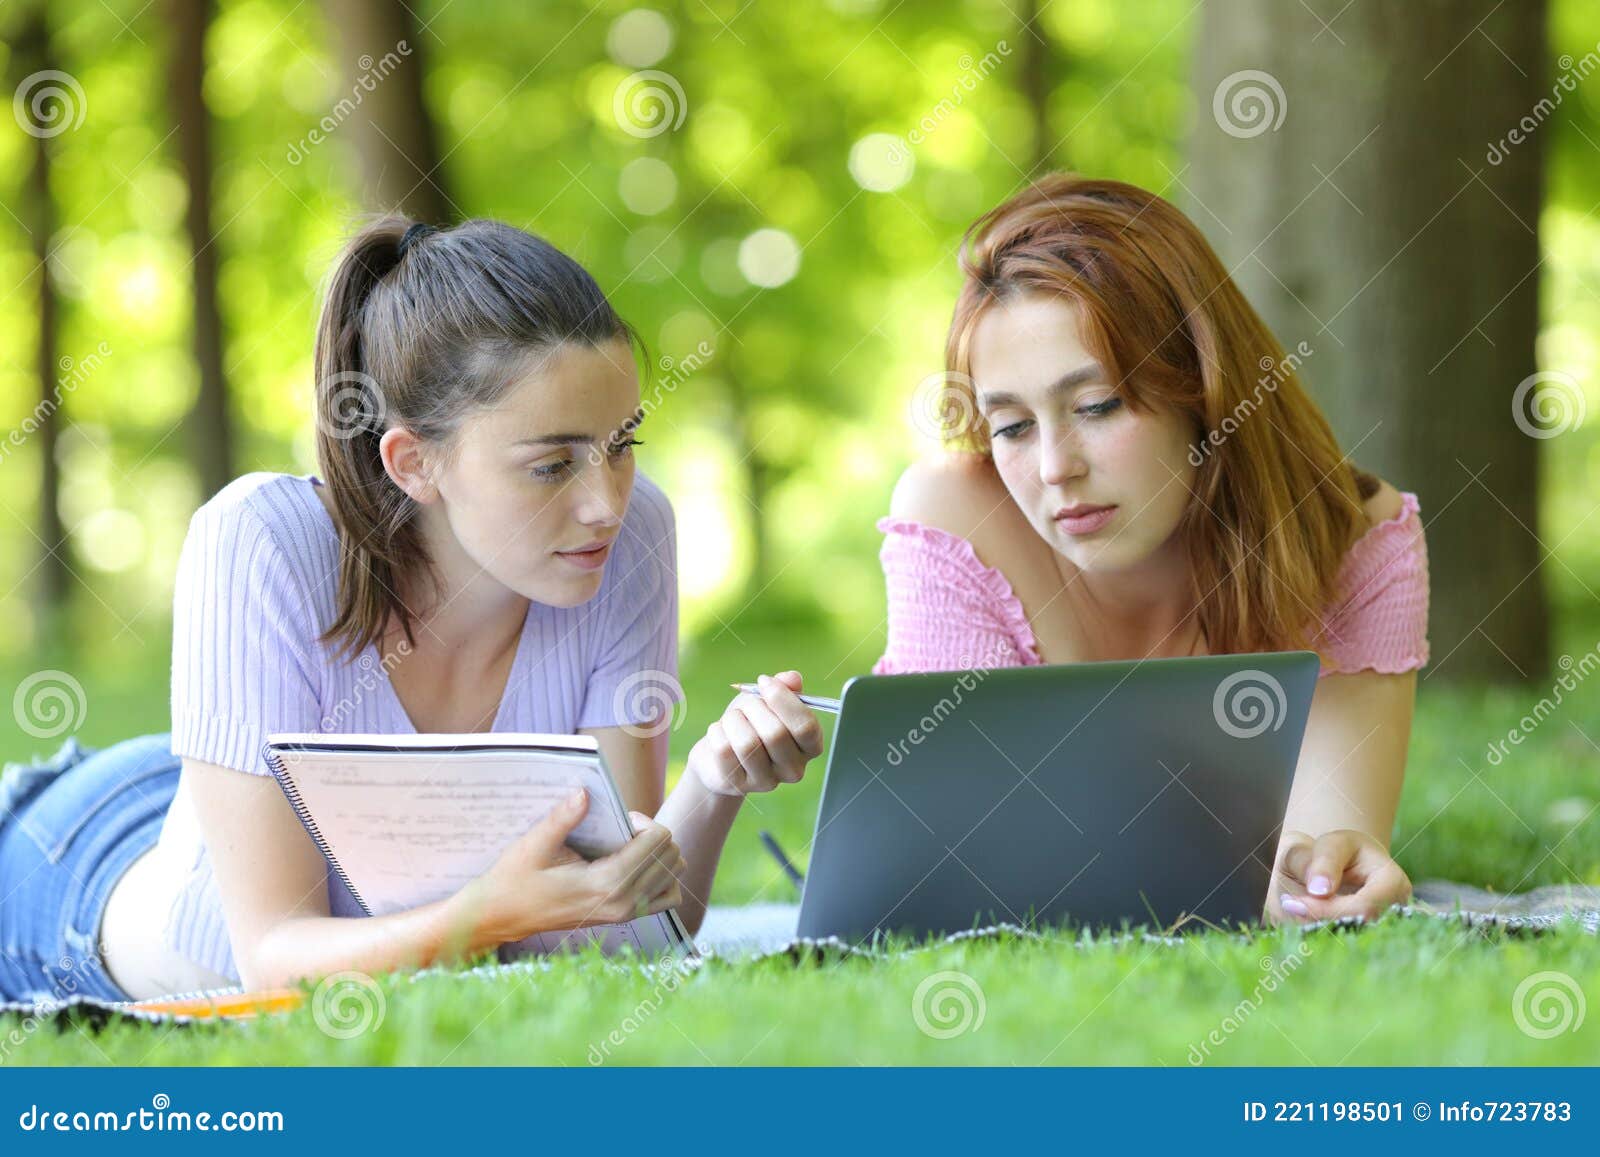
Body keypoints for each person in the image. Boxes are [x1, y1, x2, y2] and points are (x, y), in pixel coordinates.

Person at [0, 217, 824, 1004]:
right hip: (83, 860)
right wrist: (496, 913)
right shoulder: (259, 541)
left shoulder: (629, 537)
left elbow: (617, 927)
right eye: (552, 465)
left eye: (622, 444)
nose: (605, 501)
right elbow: (273, 963)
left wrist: (715, 781)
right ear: (414, 461)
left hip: (219, 792)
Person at [874, 174, 1428, 926]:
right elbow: (966, 857)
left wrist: (1329, 869)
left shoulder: (1355, 539)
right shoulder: (953, 519)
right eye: (1011, 426)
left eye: (1097, 406)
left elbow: (1323, 853)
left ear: (1203, 390)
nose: (1054, 468)